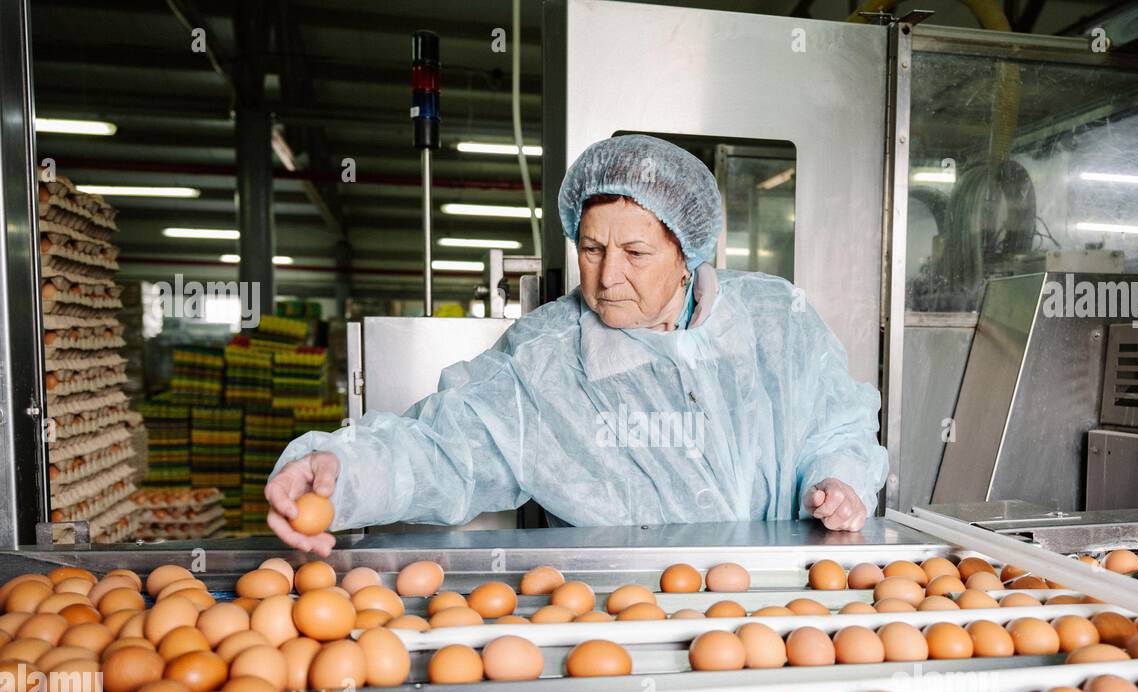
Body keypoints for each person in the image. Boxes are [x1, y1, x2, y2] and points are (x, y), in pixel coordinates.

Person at [265, 134, 889, 555]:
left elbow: (836, 422)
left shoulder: (776, 320)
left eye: (636, 252)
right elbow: (443, 449)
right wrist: (342, 475)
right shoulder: (546, 360)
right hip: (628, 621)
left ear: (688, 254)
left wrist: (841, 480)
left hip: (787, 610)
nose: (607, 275)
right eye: (591, 248)